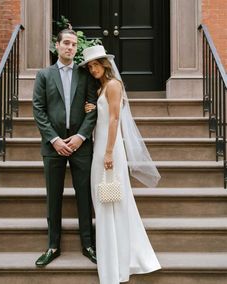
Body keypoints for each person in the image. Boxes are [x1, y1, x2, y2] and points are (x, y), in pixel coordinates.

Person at [79, 45, 161, 284]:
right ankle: (111, 251)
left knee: (111, 197)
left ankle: (118, 257)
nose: (93, 69)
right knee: (104, 198)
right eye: (90, 66)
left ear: (105, 64)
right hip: (101, 146)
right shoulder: (102, 88)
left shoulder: (114, 85)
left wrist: (107, 153)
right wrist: (92, 108)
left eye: (96, 64)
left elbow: (115, 118)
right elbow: (104, 115)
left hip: (110, 149)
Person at [32, 29, 98, 267]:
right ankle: (53, 246)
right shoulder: (44, 75)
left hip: (81, 145)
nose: (70, 47)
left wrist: (81, 136)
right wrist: (54, 140)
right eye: (66, 43)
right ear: (57, 46)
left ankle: (88, 245)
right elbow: (38, 110)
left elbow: (93, 109)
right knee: (54, 197)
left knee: (84, 196)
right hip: (53, 146)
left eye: (74, 44)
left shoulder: (85, 74)